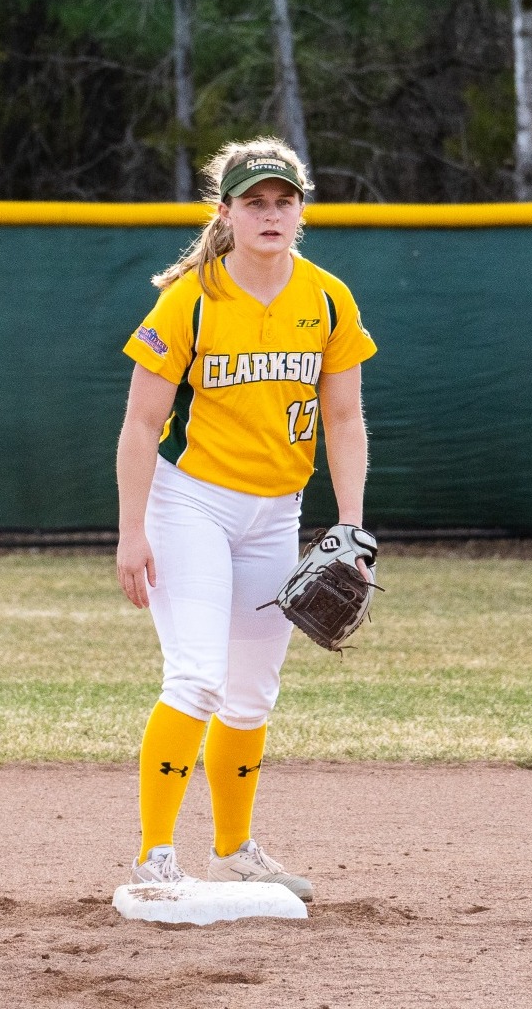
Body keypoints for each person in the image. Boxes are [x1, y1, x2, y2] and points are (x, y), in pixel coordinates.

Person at [114, 138, 376, 901]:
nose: (269, 214)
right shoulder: (190, 299)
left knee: (252, 692)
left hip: (275, 514)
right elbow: (139, 424)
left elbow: (345, 416)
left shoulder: (327, 297)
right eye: (252, 201)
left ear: (301, 209)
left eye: (282, 200)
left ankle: (233, 846)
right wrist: (133, 531)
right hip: (189, 502)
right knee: (195, 675)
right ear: (224, 213)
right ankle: (156, 855)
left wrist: (350, 525)